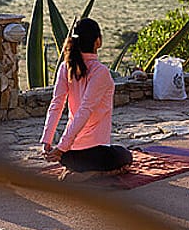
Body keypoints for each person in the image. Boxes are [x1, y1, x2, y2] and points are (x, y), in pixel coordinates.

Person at [40, 17, 133, 174]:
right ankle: (94, 174)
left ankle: (80, 171)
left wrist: (47, 142)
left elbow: (56, 105)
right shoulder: (100, 71)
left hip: (68, 156)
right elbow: (85, 110)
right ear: (98, 42)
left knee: (100, 155)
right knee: (125, 155)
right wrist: (60, 148)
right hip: (93, 154)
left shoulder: (65, 67)